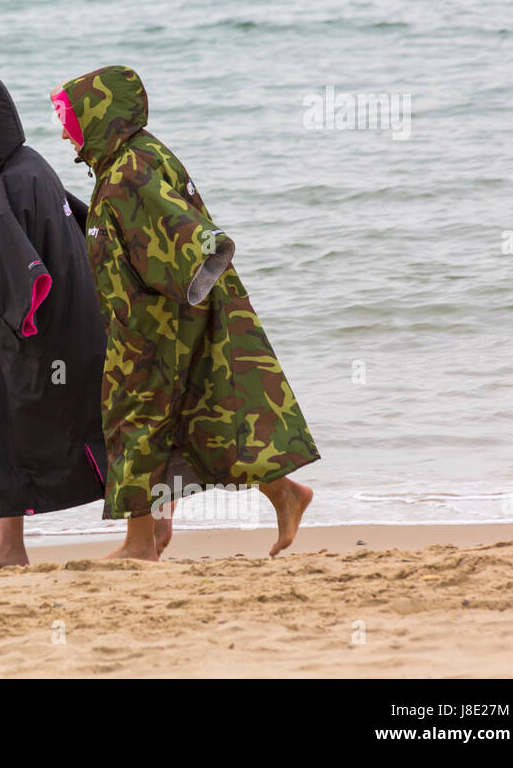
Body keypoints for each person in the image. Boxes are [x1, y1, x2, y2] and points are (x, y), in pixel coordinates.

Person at [50, 65, 319, 560]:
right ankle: (283, 494)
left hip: (154, 321)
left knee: (134, 420)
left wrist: (207, 250)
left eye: (70, 118)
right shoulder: (129, 158)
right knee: (200, 413)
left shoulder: (130, 167)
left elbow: (177, 223)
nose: (66, 130)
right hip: (161, 312)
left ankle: (139, 544)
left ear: (98, 113)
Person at [0, 77, 111, 569]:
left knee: (26, 430)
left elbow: (28, 267)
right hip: (15, 339)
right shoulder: (23, 169)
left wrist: (28, 323)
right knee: (4, 432)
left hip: (29, 344)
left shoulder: (12, 183)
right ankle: (10, 547)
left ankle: (148, 527)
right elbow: (80, 220)